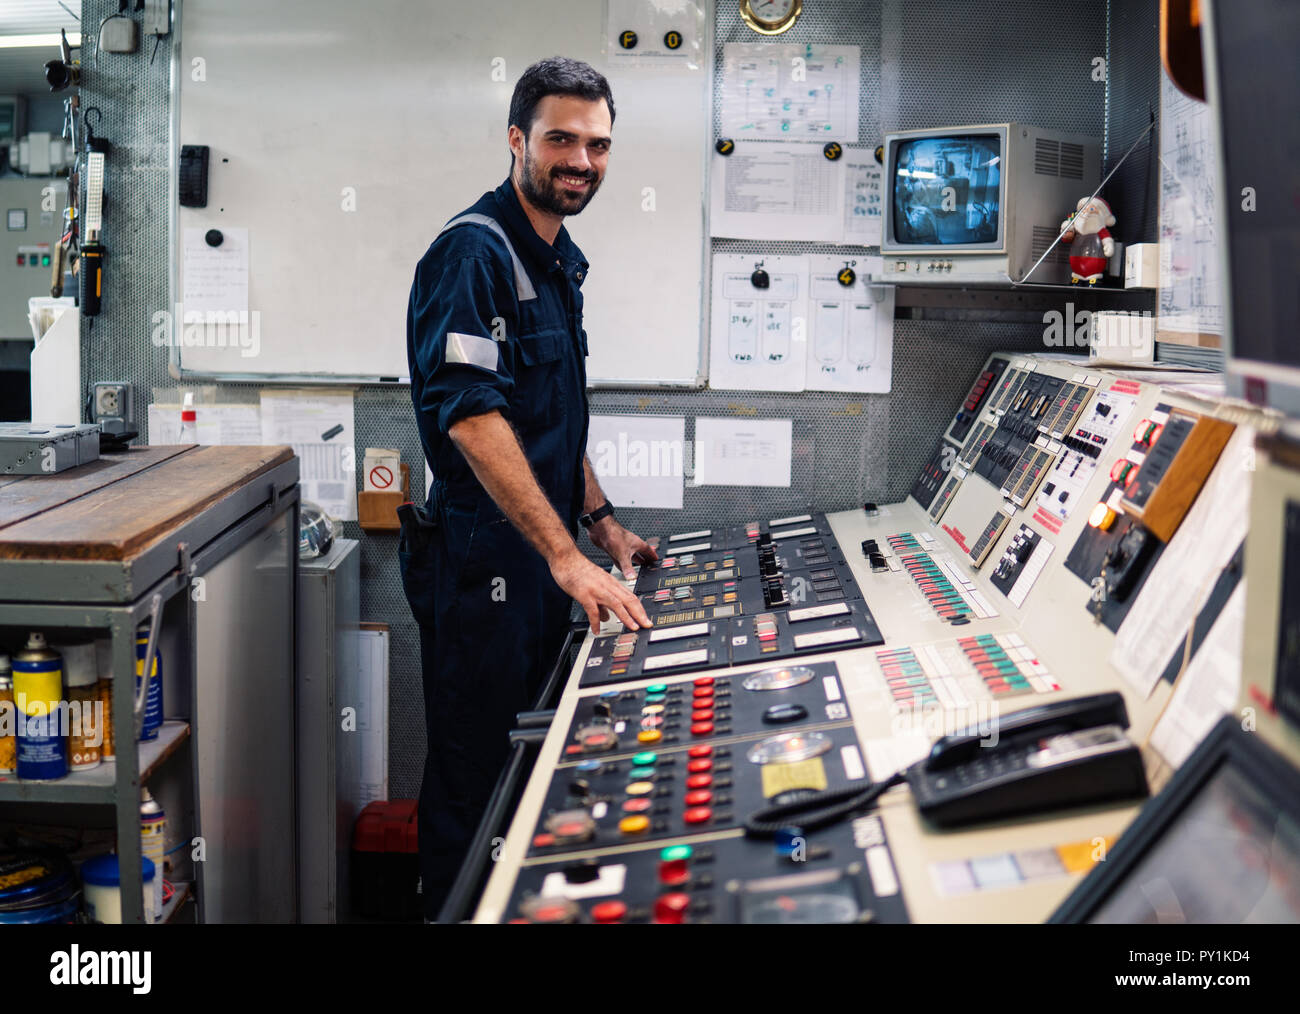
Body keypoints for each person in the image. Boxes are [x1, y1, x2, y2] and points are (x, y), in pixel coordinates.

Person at [401, 56, 658, 920]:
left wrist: (603, 529)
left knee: (528, 778)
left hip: (543, 569)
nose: (581, 160)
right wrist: (563, 557)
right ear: (517, 138)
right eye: (561, 139)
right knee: (476, 786)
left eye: (598, 144)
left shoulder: (556, 260)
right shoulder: (473, 253)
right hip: (485, 571)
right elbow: (474, 419)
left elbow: (550, 420)